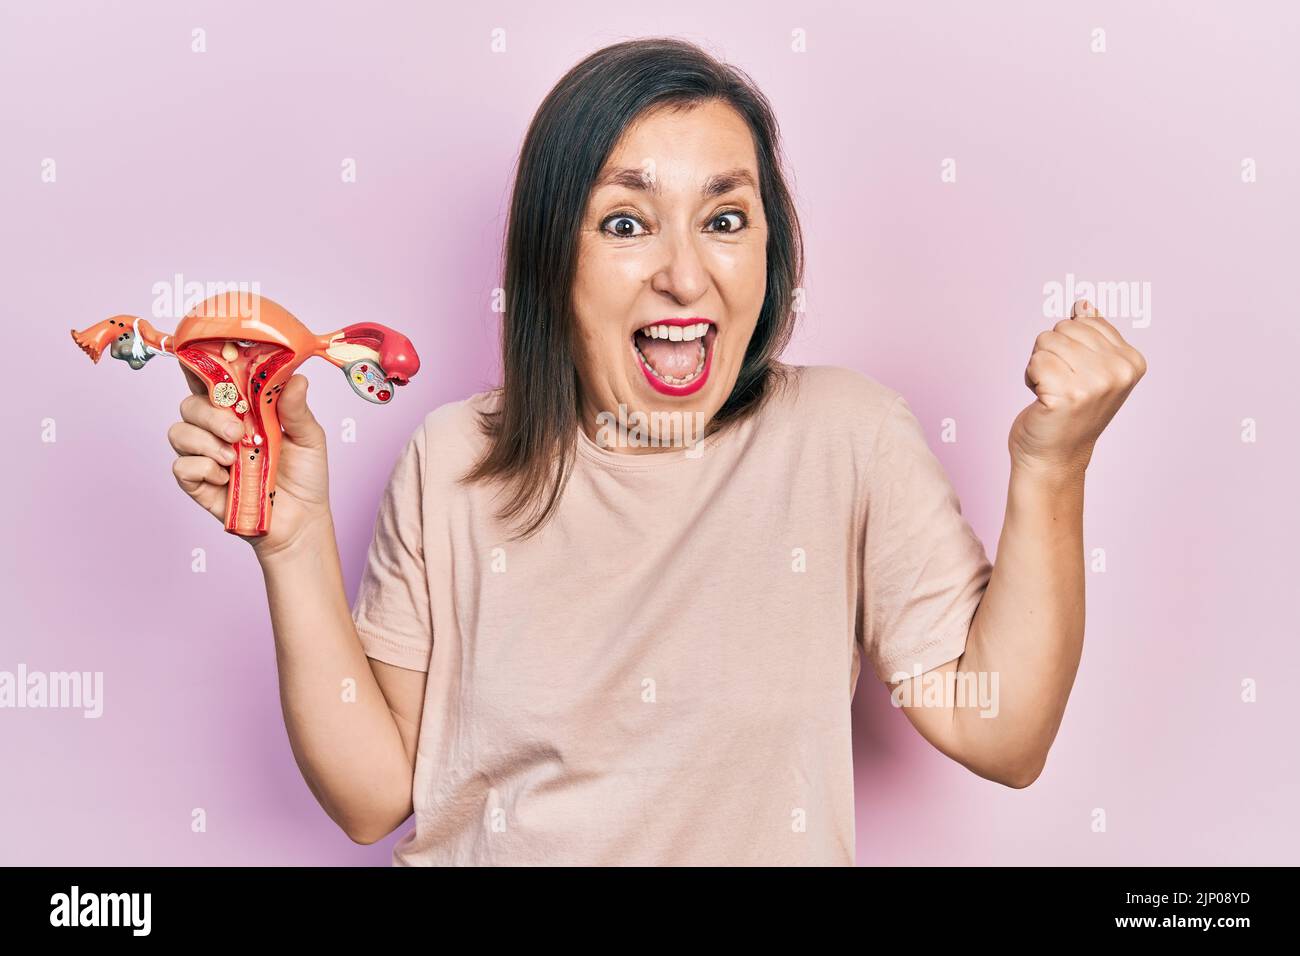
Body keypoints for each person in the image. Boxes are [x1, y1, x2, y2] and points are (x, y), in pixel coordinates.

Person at [165, 37, 1146, 865]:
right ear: (556, 256)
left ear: (770, 249)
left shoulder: (845, 438)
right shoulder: (454, 458)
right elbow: (375, 793)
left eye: (725, 218)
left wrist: (1052, 468)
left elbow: (1004, 731)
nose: (685, 273)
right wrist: (290, 544)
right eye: (626, 221)